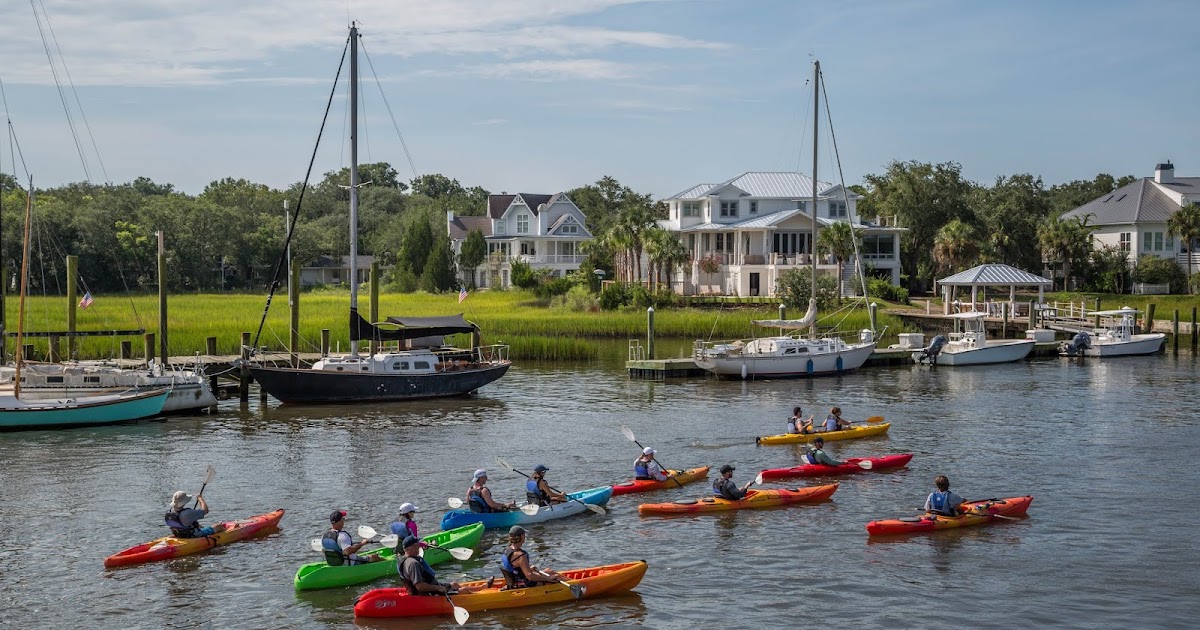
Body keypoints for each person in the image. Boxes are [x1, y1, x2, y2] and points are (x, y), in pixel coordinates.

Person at [398, 535, 485, 595]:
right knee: (463, 591)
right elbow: (420, 586)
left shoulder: (405, 559)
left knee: (454, 584)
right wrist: (438, 588)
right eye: (417, 545)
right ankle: (481, 596)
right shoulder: (413, 564)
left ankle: (482, 587)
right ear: (410, 548)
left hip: (431, 589)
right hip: (427, 594)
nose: (419, 547)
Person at [499, 525, 567, 589]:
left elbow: (514, 567)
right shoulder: (520, 555)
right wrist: (548, 579)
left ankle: (574, 582)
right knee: (556, 577)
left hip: (517, 579)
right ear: (522, 536)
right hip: (524, 583)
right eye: (524, 535)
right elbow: (530, 576)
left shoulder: (507, 549)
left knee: (549, 571)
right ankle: (575, 584)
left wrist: (529, 568)